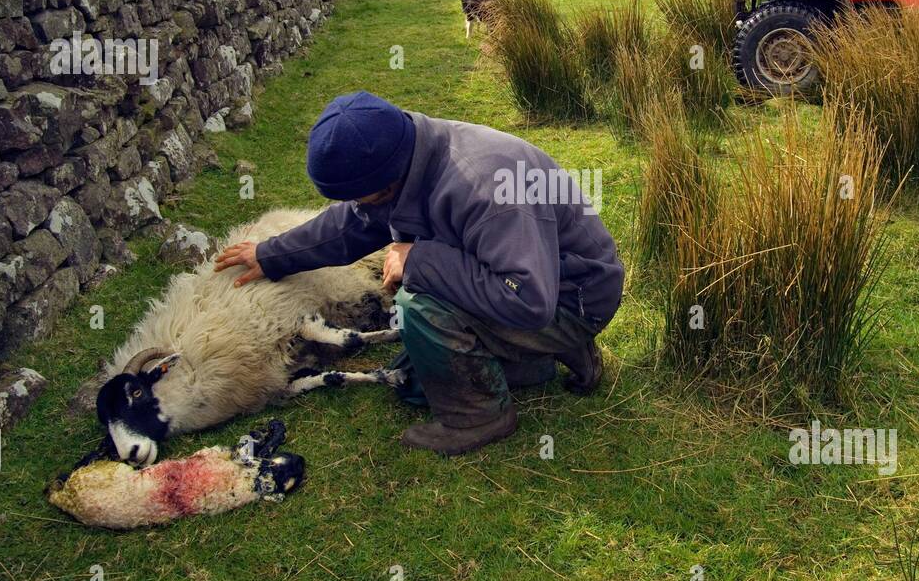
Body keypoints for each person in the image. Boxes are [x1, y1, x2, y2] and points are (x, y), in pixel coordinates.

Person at [214, 91, 625, 456]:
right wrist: (271, 255)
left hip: (571, 299)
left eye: (360, 194)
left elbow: (527, 299)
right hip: (537, 280)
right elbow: (353, 224)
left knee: (418, 306)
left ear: (387, 182)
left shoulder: (487, 186)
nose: (356, 203)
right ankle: (550, 356)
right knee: (414, 380)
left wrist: (419, 261)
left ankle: (480, 416)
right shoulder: (405, 155)